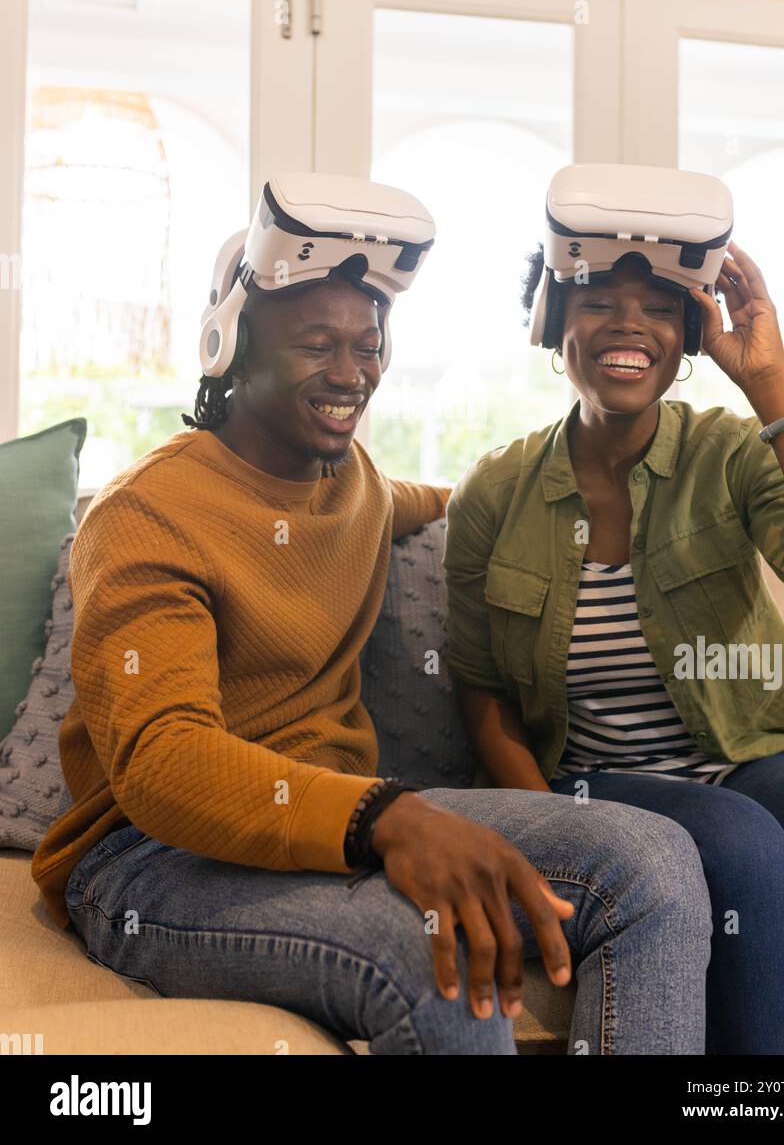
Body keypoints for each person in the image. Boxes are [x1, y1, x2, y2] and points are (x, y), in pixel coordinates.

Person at [31, 177, 713, 1056]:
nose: (352, 373)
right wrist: (390, 820)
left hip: (347, 816)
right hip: (152, 861)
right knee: (440, 963)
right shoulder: (145, 516)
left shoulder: (351, 482)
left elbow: (445, 501)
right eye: (318, 345)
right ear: (233, 348)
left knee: (653, 866)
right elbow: (162, 763)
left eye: (368, 342)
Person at [444, 233, 784, 1056]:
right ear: (549, 323)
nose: (626, 327)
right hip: (592, 780)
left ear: (690, 335)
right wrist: (537, 828)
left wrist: (770, 385)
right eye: (597, 302)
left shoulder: (729, 454)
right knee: (738, 844)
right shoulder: (494, 492)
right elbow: (479, 690)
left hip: (750, 754)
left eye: (659, 309)